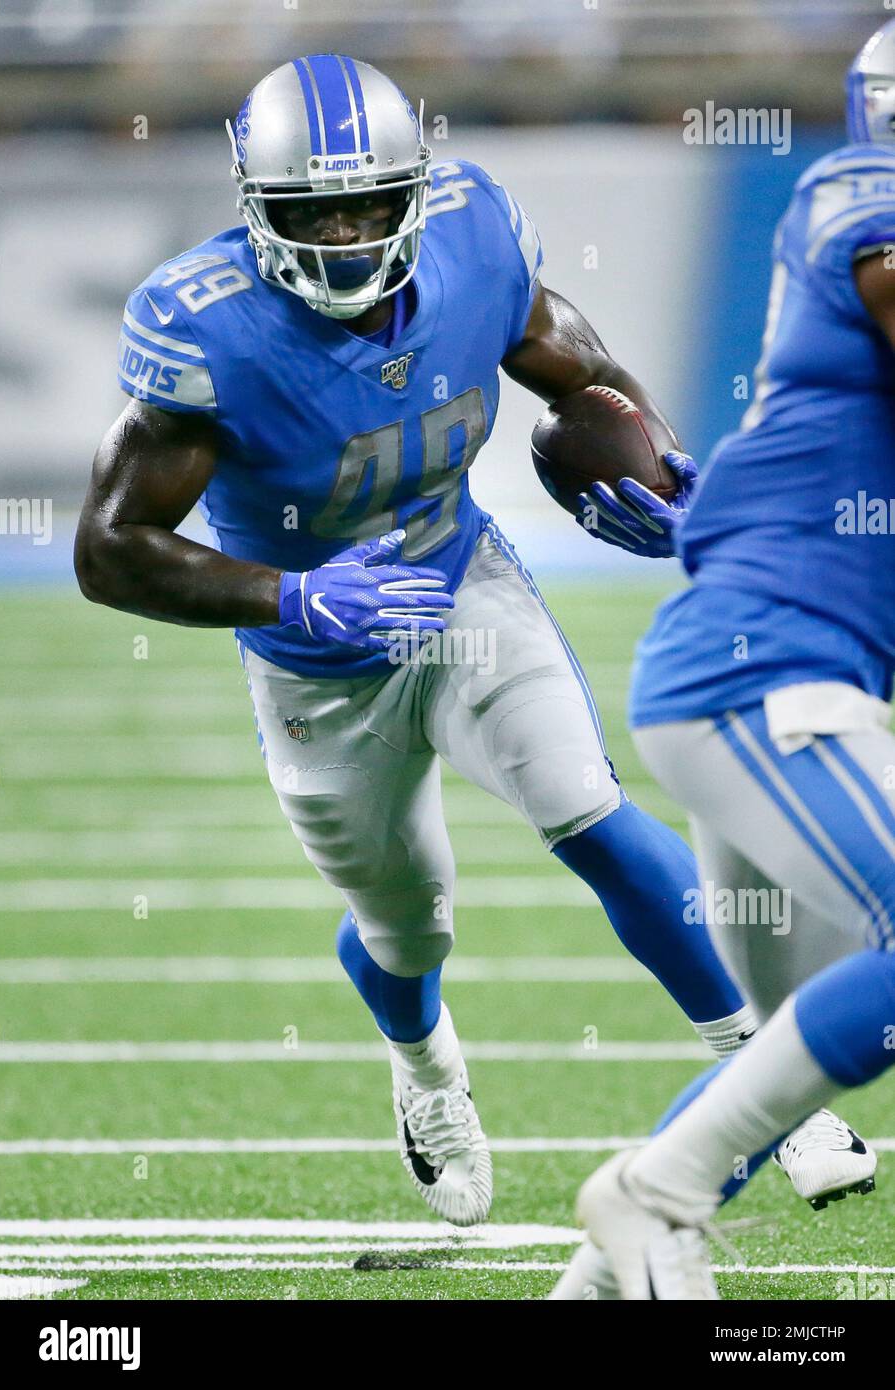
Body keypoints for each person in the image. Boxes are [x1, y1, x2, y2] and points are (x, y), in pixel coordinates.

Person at [75, 54, 855, 1230]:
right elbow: (109, 546)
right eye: (311, 213)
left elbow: (582, 377)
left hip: (458, 584)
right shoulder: (210, 328)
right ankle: (429, 1070)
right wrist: (287, 599)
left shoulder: (475, 236)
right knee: (406, 917)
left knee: (587, 809)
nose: (343, 235)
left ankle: (770, 1083)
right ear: (257, 211)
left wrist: (661, 470)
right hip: (319, 660)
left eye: (366, 205)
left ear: (414, 191)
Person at [566, 22, 895, 1298]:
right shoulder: (854, 193)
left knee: (788, 1063)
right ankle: (654, 1193)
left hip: (792, 681)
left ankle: (598, 1278)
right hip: (757, 681)